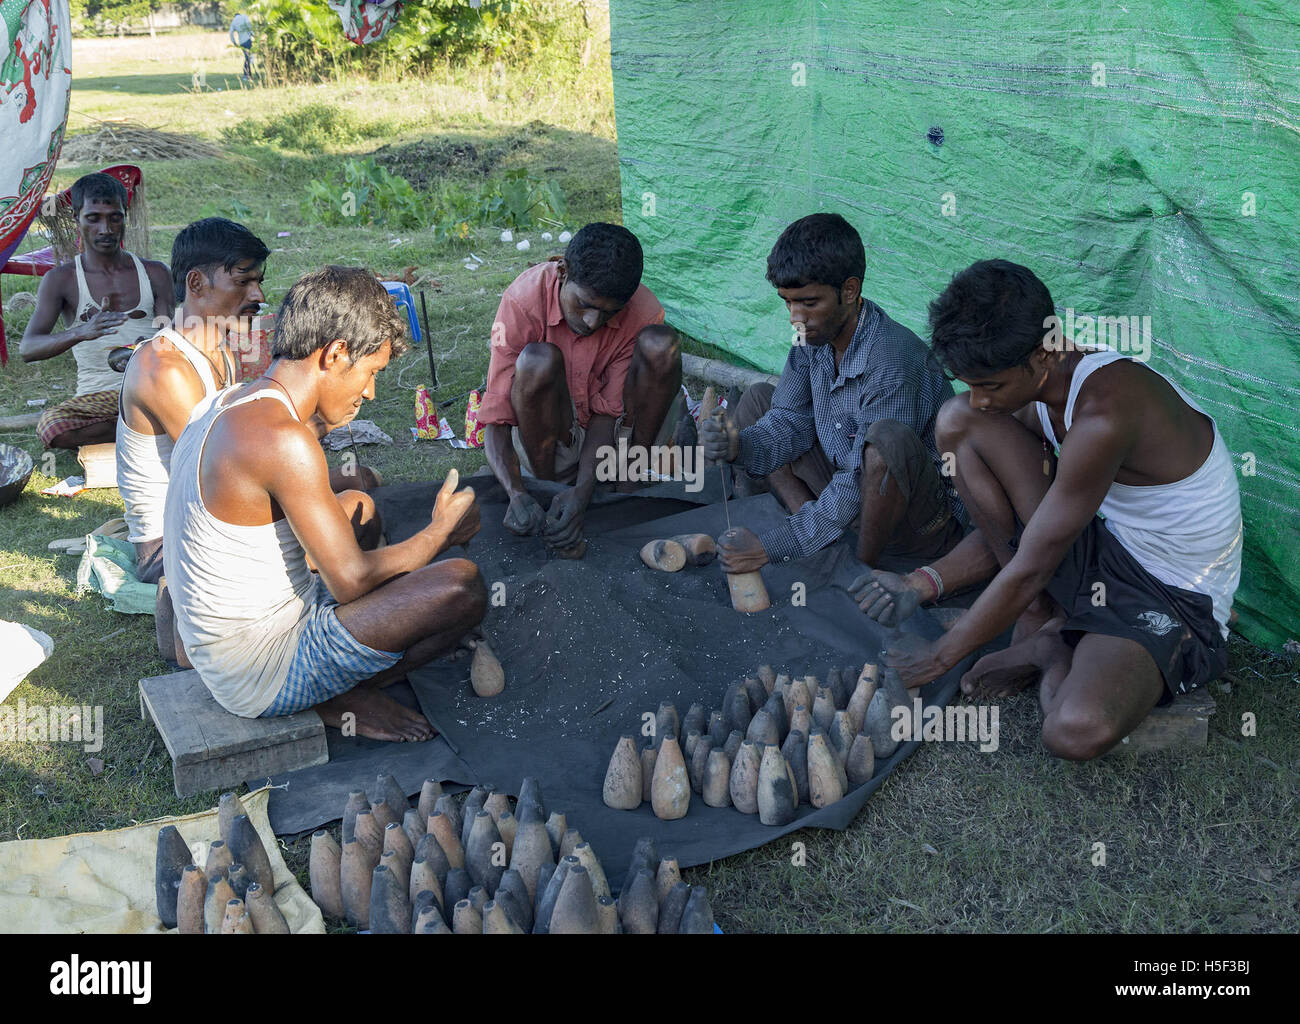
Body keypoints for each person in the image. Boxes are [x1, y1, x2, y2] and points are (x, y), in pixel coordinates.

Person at [863, 259, 1241, 761]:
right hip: (1107, 547)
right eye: (970, 381)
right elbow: (1034, 535)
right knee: (956, 422)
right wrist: (923, 581)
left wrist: (939, 658)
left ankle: (1048, 647)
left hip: (1174, 593)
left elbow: (1035, 560)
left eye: (991, 385)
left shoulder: (1106, 410)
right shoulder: (1035, 392)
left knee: (1073, 730)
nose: (980, 398)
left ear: (1043, 354)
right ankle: (1044, 614)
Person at [164, 266, 486, 741]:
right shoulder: (281, 438)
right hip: (259, 674)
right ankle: (340, 694)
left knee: (357, 503)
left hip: (219, 649)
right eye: (371, 373)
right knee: (463, 586)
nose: (370, 392)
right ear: (335, 354)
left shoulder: (230, 402)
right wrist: (442, 532)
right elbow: (352, 583)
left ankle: (342, 677)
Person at [701, 213, 965, 575]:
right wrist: (739, 446)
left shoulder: (892, 359)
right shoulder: (811, 338)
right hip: (850, 477)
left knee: (883, 445)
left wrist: (770, 547)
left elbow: (860, 477)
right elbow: (788, 420)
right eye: (787, 302)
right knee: (759, 401)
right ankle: (815, 528)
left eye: (809, 303)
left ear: (850, 291)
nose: (796, 317)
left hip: (914, 520)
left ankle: (859, 565)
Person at [478, 223, 682, 555]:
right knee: (537, 361)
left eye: (609, 312)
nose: (592, 322)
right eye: (584, 304)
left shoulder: (641, 311)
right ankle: (549, 488)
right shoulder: (522, 300)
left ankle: (629, 479)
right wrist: (516, 493)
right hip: (552, 433)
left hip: (616, 435)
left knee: (662, 344)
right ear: (562, 270)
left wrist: (583, 492)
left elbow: (607, 414)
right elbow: (496, 416)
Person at [116, 218, 269, 588]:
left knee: (354, 485)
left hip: (212, 514)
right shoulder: (164, 367)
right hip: (166, 549)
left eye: (259, 282)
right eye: (243, 281)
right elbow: (218, 471)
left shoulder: (219, 345)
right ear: (196, 283)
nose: (258, 296)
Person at [21, 173, 173, 450]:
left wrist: (146, 350)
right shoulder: (61, 279)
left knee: (191, 398)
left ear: (125, 217)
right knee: (53, 427)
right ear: (77, 218)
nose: (106, 229)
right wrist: (81, 332)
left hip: (151, 391)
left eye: (114, 217)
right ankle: (147, 429)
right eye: (93, 218)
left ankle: (140, 426)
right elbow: (29, 348)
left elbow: (169, 335)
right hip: (99, 400)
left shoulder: (155, 273)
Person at [229, 10, 254, 83]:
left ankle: (248, 74)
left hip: (241, 42)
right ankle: (246, 75)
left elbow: (231, 33)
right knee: (248, 58)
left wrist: (234, 43)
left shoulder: (233, 21)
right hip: (248, 40)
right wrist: (253, 34)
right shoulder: (244, 17)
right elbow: (249, 25)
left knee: (247, 57)